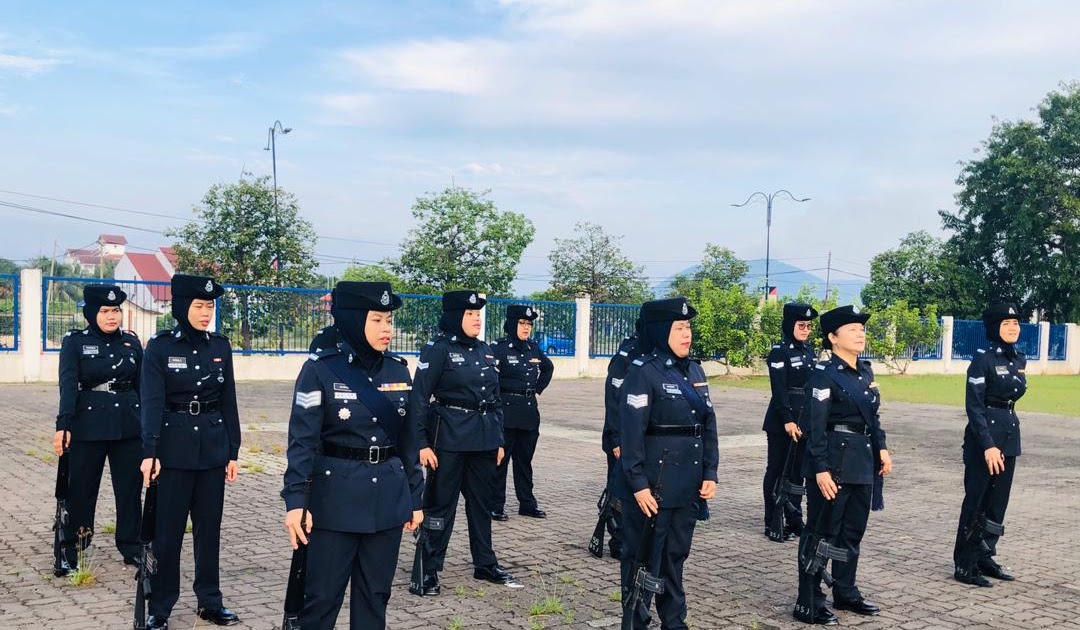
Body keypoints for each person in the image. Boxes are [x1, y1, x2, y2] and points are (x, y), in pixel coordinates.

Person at [282, 282, 424, 629]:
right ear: (351, 319)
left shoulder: (398, 369)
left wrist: (415, 497)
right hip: (334, 504)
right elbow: (302, 440)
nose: (387, 329)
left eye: (389, 321)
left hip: (388, 502)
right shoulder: (320, 369)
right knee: (322, 600)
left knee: (375, 598)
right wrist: (296, 501)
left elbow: (408, 441)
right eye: (377, 320)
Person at [139, 274, 242, 629]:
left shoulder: (220, 347)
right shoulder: (160, 347)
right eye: (199, 306)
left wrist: (233, 450)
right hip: (173, 450)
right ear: (182, 306)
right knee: (167, 534)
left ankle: (210, 601)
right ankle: (161, 606)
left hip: (212, 450)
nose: (205, 313)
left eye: (210, 306)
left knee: (208, 531)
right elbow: (151, 403)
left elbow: (228, 400)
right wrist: (149, 450)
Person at [616, 297, 718, 630]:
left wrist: (710, 472)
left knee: (675, 559)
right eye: (679, 328)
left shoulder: (696, 370)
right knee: (642, 561)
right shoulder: (643, 373)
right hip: (653, 488)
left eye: (688, 327)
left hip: (686, 487)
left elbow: (708, 426)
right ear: (661, 332)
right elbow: (630, 437)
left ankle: (674, 622)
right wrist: (638, 484)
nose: (687, 334)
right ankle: (635, 622)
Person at [410, 290, 515, 595]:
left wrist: (498, 441)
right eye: (470, 314)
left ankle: (485, 563)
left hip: (483, 439)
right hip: (450, 439)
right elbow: (419, 398)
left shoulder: (484, 350)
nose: (476, 319)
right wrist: (421, 443)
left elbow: (495, 400)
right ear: (455, 317)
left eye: (478, 314)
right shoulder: (438, 349)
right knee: (441, 506)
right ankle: (428, 568)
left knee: (481, 505)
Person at [794, 305, 892, 625]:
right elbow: (814, 427)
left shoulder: (865, 371)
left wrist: (883, 448)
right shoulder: (823, 376)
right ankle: (809, 600)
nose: (860, 333)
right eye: (852, 329)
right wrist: (820, 467)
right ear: (833, 338)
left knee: (851, 532)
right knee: (821, 533)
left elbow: (872, 417)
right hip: (833, 465)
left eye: (862, 329)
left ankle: (845, 591)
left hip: (862, 462)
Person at [52, 285, 143, 575]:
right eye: (105, 311)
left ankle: (131, 546)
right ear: (91, 313)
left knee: (129, 491)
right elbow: (68, 386)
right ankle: (73, 548)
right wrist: (63, 425)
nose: (111, 316)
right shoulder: (75, 343)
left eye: (115, 310)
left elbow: (144, 387)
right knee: (81, 491)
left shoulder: (131, 343)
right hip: (88, 426)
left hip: (129, 426)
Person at [953, 302, 1025, 587]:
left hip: (1008, 436)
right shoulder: (982, 360)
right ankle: (965, 563)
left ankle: (985, 555)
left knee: (998, 503)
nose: (1012, 328)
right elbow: (975, 406)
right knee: (977, 501)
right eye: (1006, 324)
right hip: (985, 440)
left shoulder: (1018, 359)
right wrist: (988, 445)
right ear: (994, 328)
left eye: (1016, 323)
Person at [490, 304, 554, 520]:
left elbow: (548, 367)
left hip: (528, 413)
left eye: (529, 324)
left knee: (524, 461)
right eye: (522, 323)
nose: (526, 328)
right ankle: (495, 504)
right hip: (505, 412)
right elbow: (489, 379)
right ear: (511, 324)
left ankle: (527, 503)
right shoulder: (499, 348)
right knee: (500, 461)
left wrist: (537, 390)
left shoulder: (533, 348)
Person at [762, 303, 818, 542]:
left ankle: (794, 519)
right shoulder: (780, 351)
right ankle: (771, 519)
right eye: (801, 325)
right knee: (777, 471)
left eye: (808, 326)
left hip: (804, 419)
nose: (805, 330)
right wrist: (787, 419)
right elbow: (779, 389)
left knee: (798, 473)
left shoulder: (808, 351)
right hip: (781, 421)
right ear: (790, 325)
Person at [599, 319, 643, 559]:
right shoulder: (626, 355)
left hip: (641, 439)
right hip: (620, 438)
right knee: (619, 490)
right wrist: (616, 438)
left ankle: (636, 538)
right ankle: (618, 539)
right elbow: (613, 399)